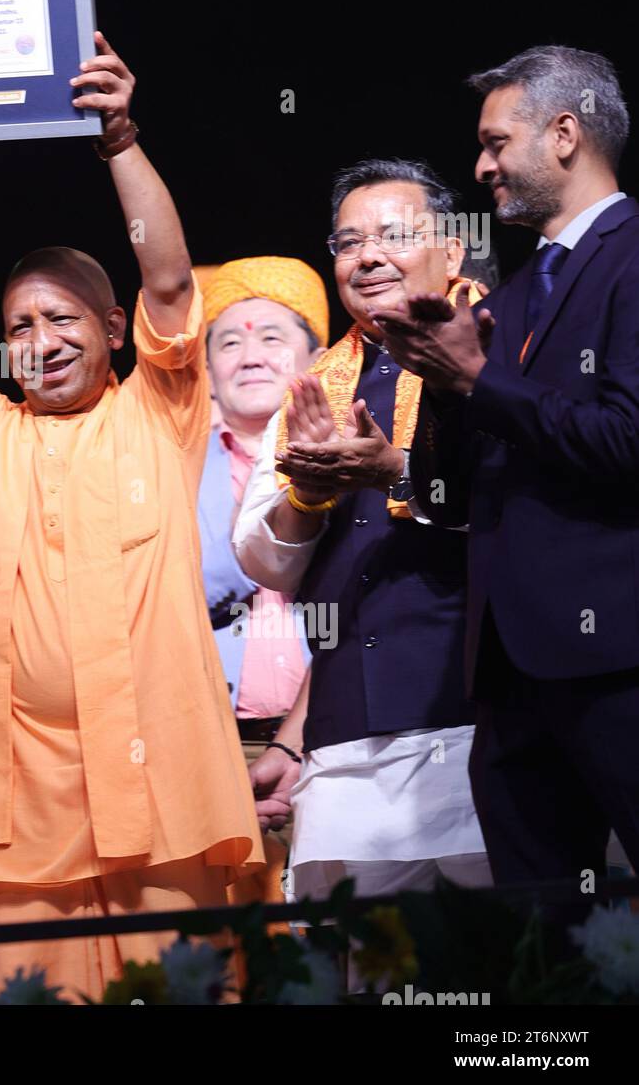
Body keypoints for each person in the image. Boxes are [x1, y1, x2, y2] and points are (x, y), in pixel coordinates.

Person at [0, 33, 264, 1002]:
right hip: (19, 798)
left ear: (115, 330)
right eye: (21, 325)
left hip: (162, 780)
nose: (40, 339)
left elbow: (167, 279)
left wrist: (119, 140)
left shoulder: (158, 413)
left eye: (64, 316)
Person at [377, 47, 639, 926]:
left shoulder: (633, 256)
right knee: (540, 950)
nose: (482, 166)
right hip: (511, 681)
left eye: (497, 142)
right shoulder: (513, 292)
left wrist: (476, 381)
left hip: (618, 666)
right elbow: (450, 498)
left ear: (565, 135)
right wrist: (442, 383)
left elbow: (624, 440)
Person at [235, 160, 491, 905]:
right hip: (346, 745)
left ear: (452, 251)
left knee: (510, 970)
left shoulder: (504, 350)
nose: (368, 256)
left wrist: (396, 473)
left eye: (394, 235)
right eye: (348, 242)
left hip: (477, 726)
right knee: (354, 971)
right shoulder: (318, 381)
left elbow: (532, 503)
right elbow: (267, 562)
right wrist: (307, 496)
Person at [198, 258, 327, 909]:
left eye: (272, 337)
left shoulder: (358, 455)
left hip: (332, 734)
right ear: (206, 367)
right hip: (206, 742)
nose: (250, 354)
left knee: (345, 942)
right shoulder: (165, 462)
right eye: (229, 339)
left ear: (319, 357)